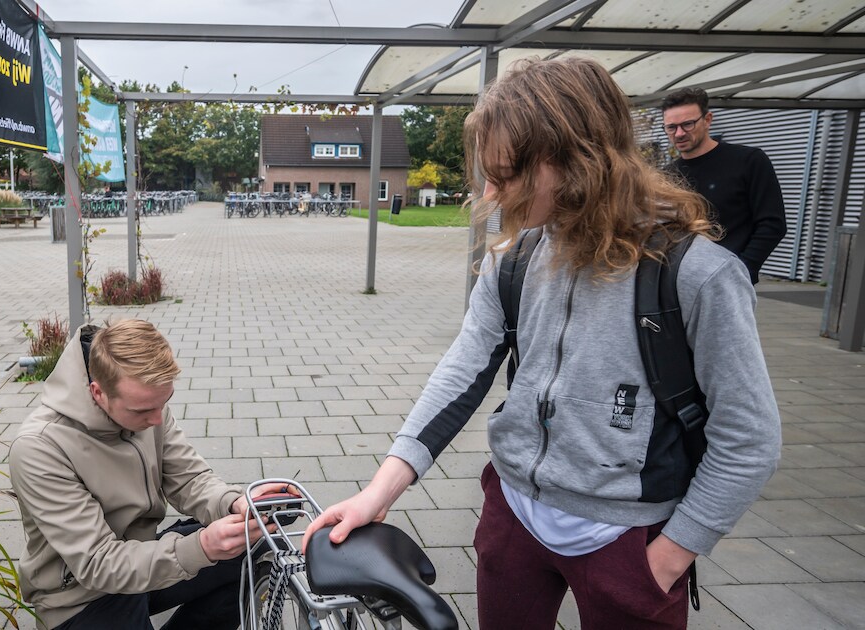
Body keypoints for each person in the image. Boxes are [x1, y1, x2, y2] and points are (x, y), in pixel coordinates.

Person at [304, 58, 781, 629]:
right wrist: (379, 491)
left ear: (577, 160)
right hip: (513, 520)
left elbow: (748, 437)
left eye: (505, 175)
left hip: (630, 538)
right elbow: (463, 371)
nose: (488, 192)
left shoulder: (698, 275)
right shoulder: (515, 260)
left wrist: (673, 552)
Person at [10, 319, 285, 630]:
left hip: (145, 558)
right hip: (81, 595)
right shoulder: (40, 448)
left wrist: (235, 503)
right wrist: (203, 547)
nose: (156, 420)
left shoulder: (144, 399)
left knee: (258, 548)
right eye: (142, 411)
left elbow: (189, 478)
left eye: (163, 403)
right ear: (98, 393)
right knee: (216, 550)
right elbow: (97, 563)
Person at [661, 87, 787, 284]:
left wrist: (743, 268)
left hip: (730, 279)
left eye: (687, 124)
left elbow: (772, 224)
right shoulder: (666, 175)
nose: (679, 134)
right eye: (671, 127)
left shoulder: (748, 161)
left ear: (708, 120)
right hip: (677, 283)